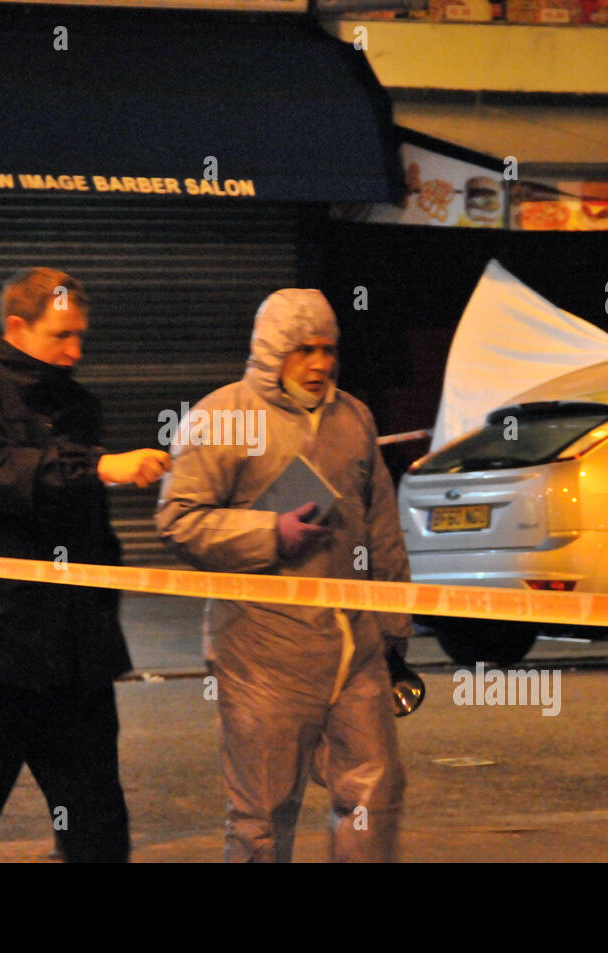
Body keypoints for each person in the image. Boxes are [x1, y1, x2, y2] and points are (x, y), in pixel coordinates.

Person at [0, 267, 170, 863]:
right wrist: (99, 466)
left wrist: (101, 619)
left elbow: (91, 532)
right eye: (62, 335)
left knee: (98, 829)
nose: (75, 350)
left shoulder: (79, 406)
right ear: (16, 327)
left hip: (73, 659)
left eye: (81, 335)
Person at [155, 288, 413, 863]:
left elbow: (382, 526)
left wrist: (395, 624)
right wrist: (270, 533)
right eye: (304, 350)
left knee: (375, 792)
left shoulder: (353, 418)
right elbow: (178, 519)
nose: (319, 363)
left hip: (353, 644)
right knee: (263, 814)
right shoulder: (221, 417)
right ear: (274, 350)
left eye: (328, 349)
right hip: (261, 649)